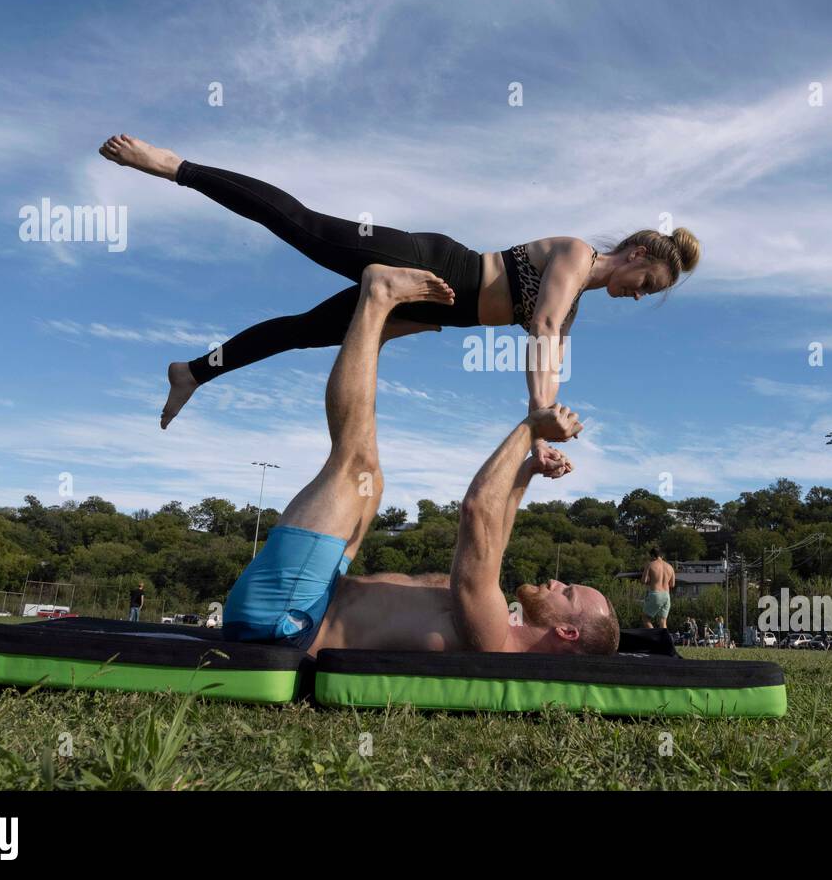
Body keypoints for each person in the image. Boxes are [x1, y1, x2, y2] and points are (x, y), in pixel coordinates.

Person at [97, 135, 700, 478]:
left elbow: (549, 356)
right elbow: (539, 327)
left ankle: (194, 371)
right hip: (426, 264)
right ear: (636, 251)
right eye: (645, 281)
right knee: (304, 226)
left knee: (305, 331)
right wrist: (542, 411)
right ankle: (172, 166)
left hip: (419, 306)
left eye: (647, 295)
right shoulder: (574, 255)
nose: (638, 295)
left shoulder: (572, 309)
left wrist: (540, 438)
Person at [220, 263, 619, 656]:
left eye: (567, 592)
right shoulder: (497, 621)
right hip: (315, 597)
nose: (556, 580)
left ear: (566, 631)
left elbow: (477, 512)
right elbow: (492, 541)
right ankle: (372, 339)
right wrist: (526, 472)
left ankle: (377, 297)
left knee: (353, 464)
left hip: (285, 619)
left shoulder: (492, 634)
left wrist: (531, 427)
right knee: (370, 484)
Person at [640, 547, 674, 630]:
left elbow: (643, 581)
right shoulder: (670, 567)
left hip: (655, 594)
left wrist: (652, 581)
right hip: (666, 595)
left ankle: (654, 638)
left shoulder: (650, 564)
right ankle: (664, 641)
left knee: (646, 618)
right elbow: (672, 584)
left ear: (652, 555)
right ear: (661, 555)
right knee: (663, 622)